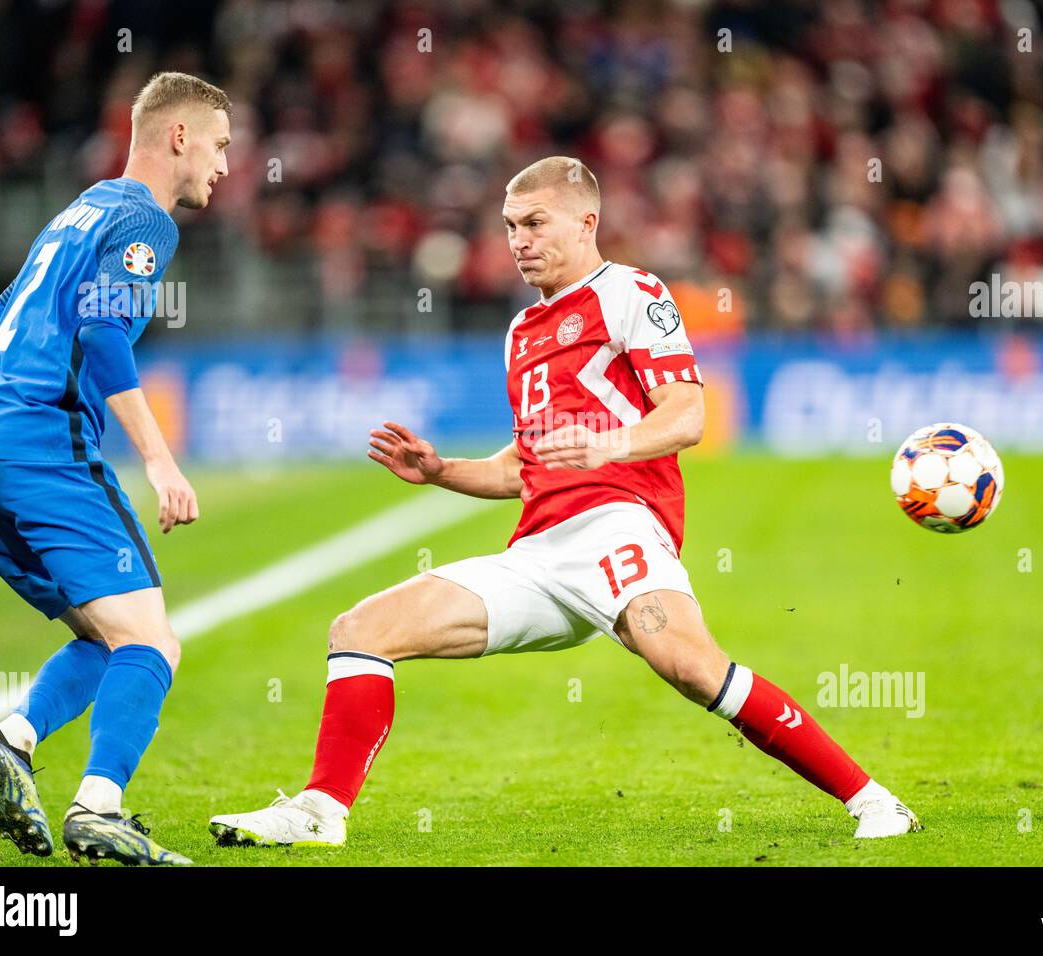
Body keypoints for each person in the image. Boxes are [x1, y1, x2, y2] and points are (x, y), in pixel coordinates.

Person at [209, 157, 919, 848]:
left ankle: (874, 800)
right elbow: (522, 466)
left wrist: (608, 445)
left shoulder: (632, 295)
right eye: (512, 226)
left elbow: (687, 417)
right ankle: (320, 811)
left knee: (693, 668)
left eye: (535, 223)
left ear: (587, 221)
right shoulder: (522, 333)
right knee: (360, 628)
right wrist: (439, 469)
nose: (519, 241)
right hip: (538, 554)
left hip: (618, 528)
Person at [0, 71, 231, 866]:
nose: (226, 167)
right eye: (220, 145)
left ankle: (11, 738)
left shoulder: (79, 211)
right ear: (179, 136)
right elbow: (104, 334)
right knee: (154, 643)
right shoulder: (145, 218)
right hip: (42, 447)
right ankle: (99, 807)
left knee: (108, 638)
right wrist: (160, 459)